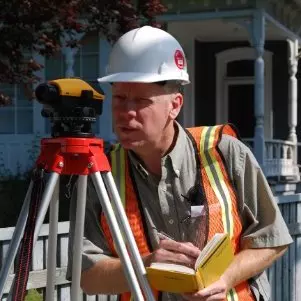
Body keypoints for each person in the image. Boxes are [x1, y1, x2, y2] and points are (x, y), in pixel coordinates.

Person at [67, 26, 293, 301]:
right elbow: (87, 277)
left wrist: (224, 278)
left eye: (141, 100)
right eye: (120, 98)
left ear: (175, 105)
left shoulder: (223, 152)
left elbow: (272, 239)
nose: (127, 112)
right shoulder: (101, 174)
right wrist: (146, 266)